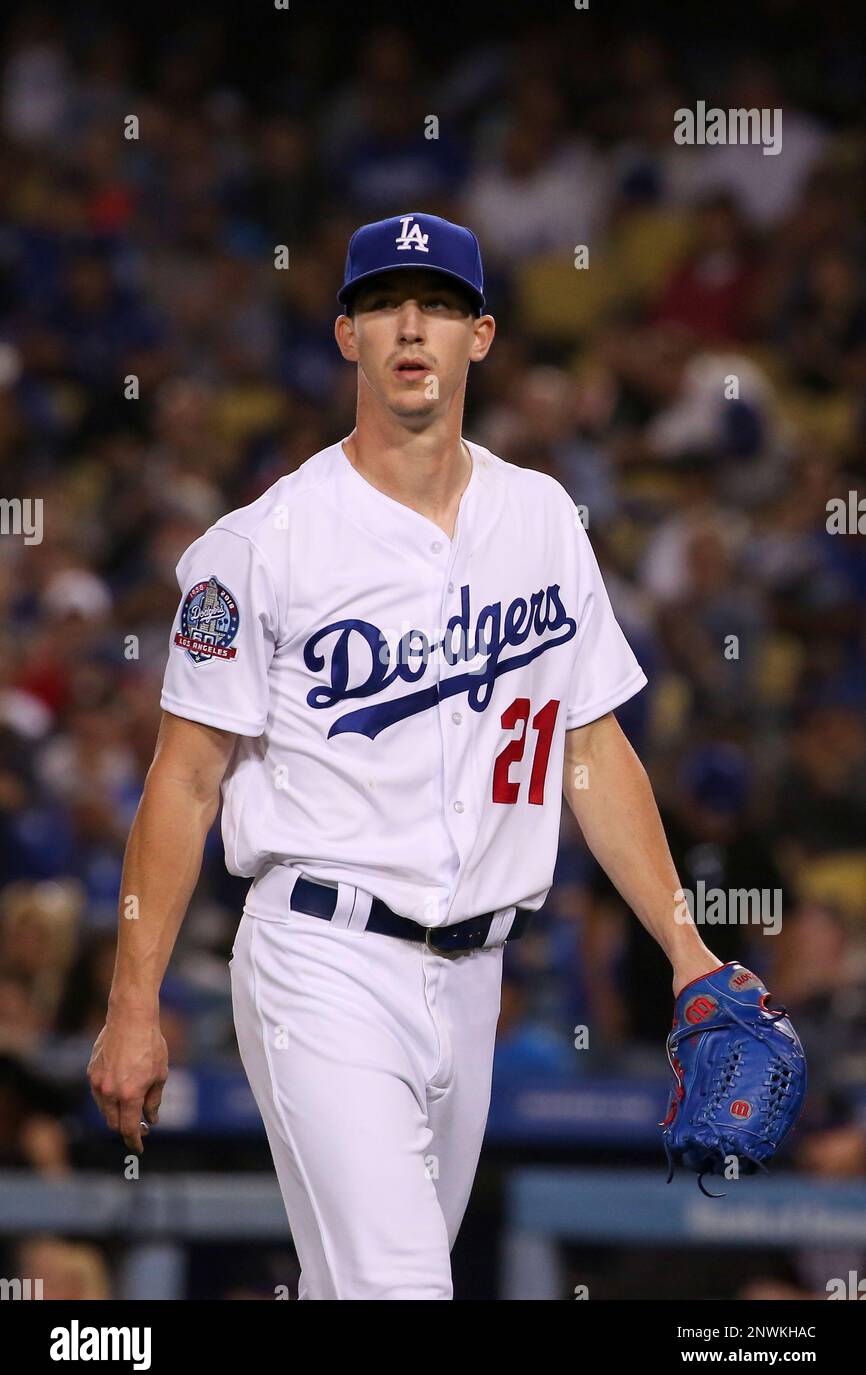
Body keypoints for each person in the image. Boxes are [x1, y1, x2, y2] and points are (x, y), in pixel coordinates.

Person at [87, 212, 722, 1300]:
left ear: (480, 335)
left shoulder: (540, 518)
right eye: (383, 305)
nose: (409, 327)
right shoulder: (257, 545)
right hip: (318, 958)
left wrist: (686, 947)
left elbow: (590, 747)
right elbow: (183, 781)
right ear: (347, 337)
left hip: (479, 979)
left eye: (434, 304)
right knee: (402, 1286)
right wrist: (133, 1005)